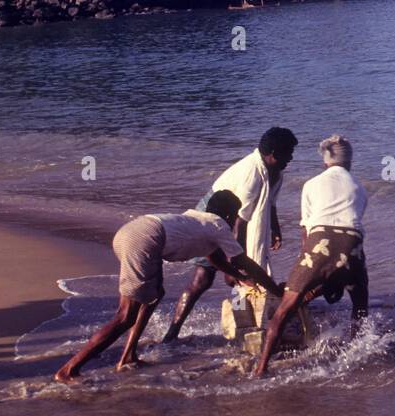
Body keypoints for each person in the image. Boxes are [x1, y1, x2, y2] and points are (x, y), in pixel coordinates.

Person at [54, 191, 280, 382]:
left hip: (131, 233)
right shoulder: (218, 224)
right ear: (229, 215)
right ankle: (69, 370)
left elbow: (214, 257)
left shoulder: (196, 218)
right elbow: (243, 261)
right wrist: (274, 287)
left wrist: (237, 277)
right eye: (235, 218)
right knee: (125, 316)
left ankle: (129, 355)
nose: (234, 224)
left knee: (155, 294)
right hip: (145, 240)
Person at [163, 127, 298, 342]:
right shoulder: (252, 173)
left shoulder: (276, 173)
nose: (291, 158)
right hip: (213, 211)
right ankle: (172, 333)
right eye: (288, 153)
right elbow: (239, 223)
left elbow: (270, 203)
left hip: (230, 214)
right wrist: (234, 264)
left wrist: (275, 229)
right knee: (204, 279)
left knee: (237, 278)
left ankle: (244, 327)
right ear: (272, 154)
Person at [252, 136, 368, 378]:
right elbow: (351, 228)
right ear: (349, 162)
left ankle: (261, 368)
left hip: (319, 243)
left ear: (325, 163)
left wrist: (307, 276)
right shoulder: (360, 187)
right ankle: (356, 357)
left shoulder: (312, 184)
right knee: (359, 303)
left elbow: (306, 234)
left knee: (285, 307)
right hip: (352, 245)